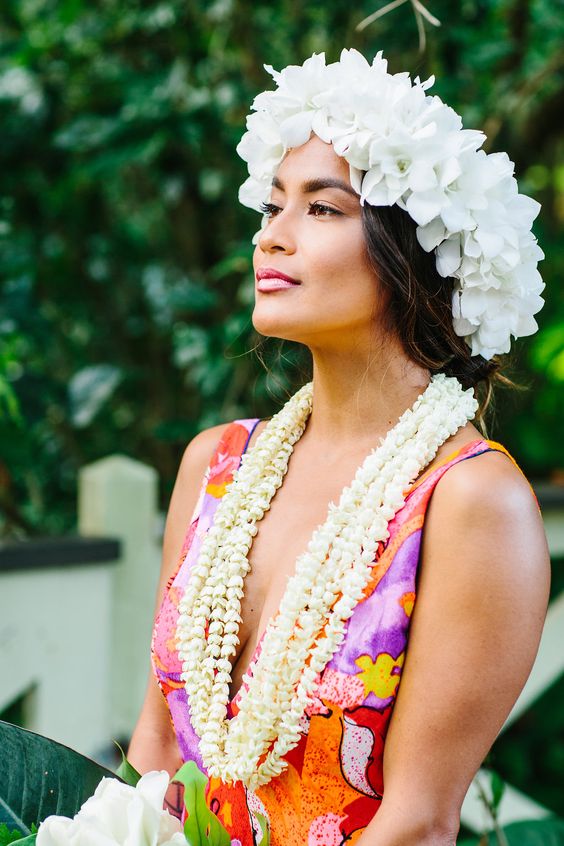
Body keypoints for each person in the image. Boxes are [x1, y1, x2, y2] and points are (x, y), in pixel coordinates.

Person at [127, 49, 551, 845]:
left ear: (411, 255)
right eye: (272, 206)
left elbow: (419, 822)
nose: (273, 238)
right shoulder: (216, 466)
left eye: (321, 209)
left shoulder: (468, 502)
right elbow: (155, 748)